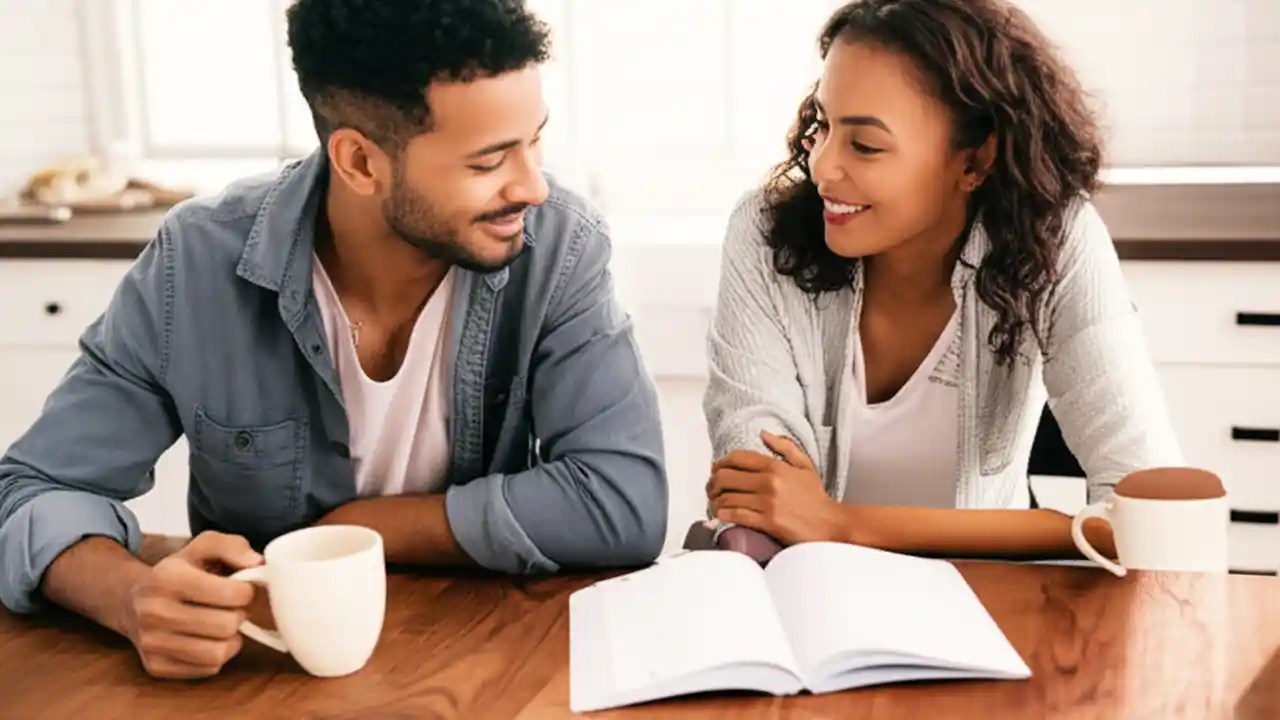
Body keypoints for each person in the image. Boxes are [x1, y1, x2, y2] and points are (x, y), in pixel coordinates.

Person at [0, 0, 667, 679]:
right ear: (360, 162)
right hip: (265, 678)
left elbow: (623, 502)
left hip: (486, 668)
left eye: (535, 140)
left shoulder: (559, 250)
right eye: (490, 160)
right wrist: (127, 593)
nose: (531, 186)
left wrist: (365, 525)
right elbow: (30, 490)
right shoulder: (195, 263)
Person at [702, 0, 1180, 563]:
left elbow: (1154, 515)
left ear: (974, 161)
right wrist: (1075, 528)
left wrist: (844, 524)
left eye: (865, 145)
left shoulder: (1053, 243)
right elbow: (764, 495)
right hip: (810, 594)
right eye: (823, 126)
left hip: (984, 597)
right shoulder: (764, 234)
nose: (823, 166)